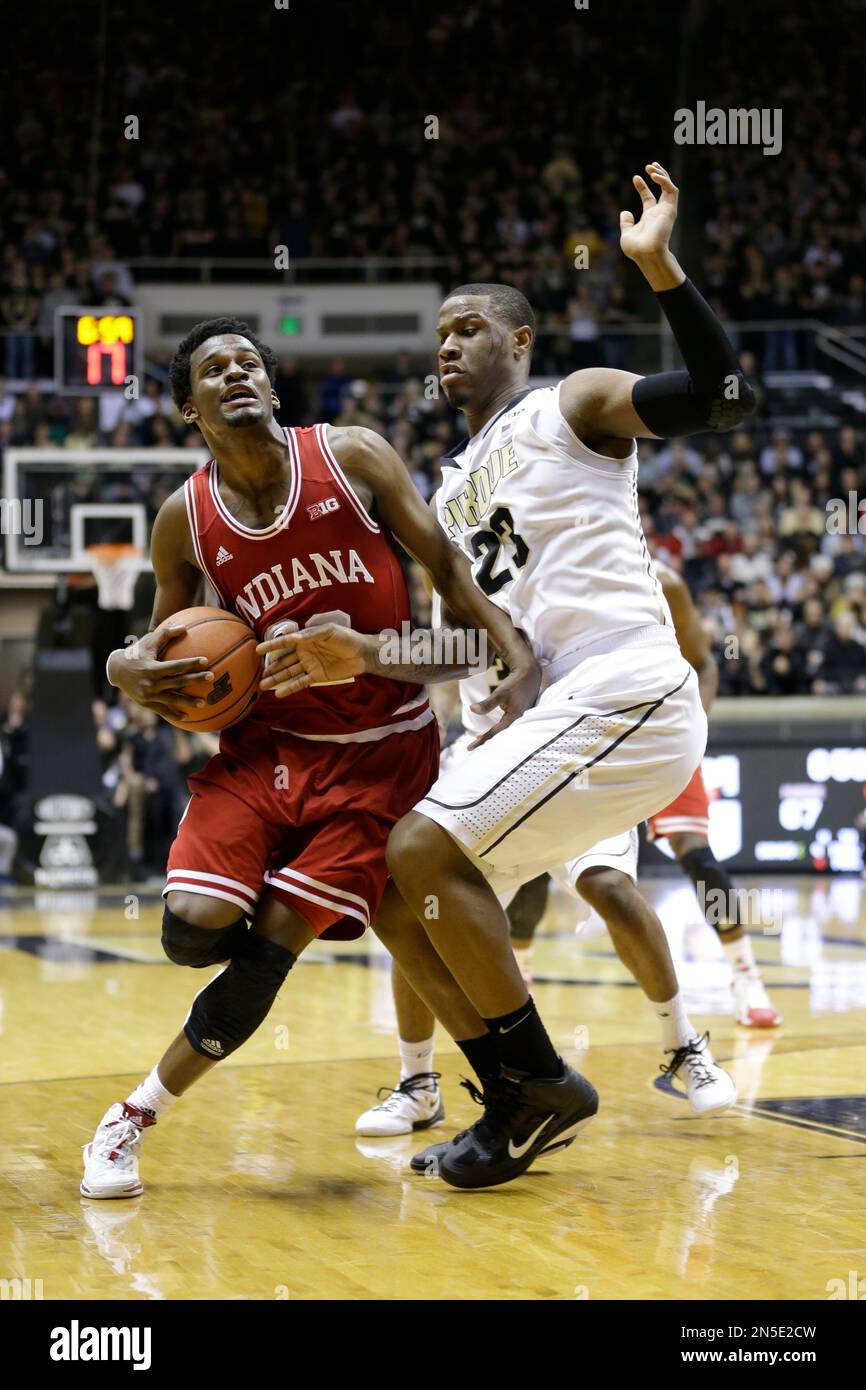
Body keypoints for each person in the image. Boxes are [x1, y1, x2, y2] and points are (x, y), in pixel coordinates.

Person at [321, 161, 754, 1189]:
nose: (448, 346)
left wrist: (659, 272)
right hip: (552, 715)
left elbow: (725, 399)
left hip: (625, 687)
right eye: (438, 336)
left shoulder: (572, 405)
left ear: (519, 340)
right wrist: (360, 652)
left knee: (430, 848)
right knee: (398, 891)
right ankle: (508, 1099)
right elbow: (467, 643)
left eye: (469, 327)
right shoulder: (448, 487)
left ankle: (560, 1075)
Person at [80, 316, 540, 1199]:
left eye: (250, 362)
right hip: (264, 750)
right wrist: (122, 663)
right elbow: (163, 648)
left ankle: (131, 1118)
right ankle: (288, 917)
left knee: (274, 950)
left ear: (274, 387)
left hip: (376, 758)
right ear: (188, 408)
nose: (238, 374)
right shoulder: (185, 519)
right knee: (189, 932)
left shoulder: (353, 457)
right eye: (216, 369)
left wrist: (509, 651)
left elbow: (447, 568)